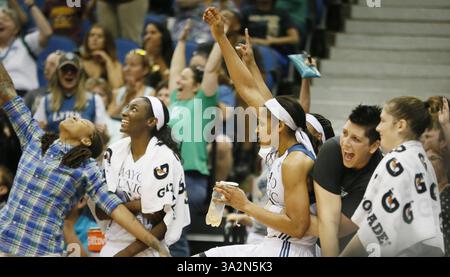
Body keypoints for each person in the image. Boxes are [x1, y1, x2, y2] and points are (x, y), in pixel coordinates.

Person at [0, 62, 167, 257]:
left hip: (40, 250)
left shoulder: (87, 169)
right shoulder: (35, 138)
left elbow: (116, 210)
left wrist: (154, 242)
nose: (74, 116)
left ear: (86, 140)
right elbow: (7, 92)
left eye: (82, 121)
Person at [198, 7, 319, 257]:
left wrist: (245, 205)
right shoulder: (281, 143)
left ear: (281, 125)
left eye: (262, 123)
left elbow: (298, 227)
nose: (255, 128)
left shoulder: (296, 159)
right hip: (272, 244)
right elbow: (246, 88)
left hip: (291, 250)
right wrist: (221, 37)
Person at [341, 96, 444, 257]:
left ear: (400, 125)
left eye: (382, 121)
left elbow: (375, 228)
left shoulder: (396, 161)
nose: (378, 128)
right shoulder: (421, 159)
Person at [97, 96, 190, 257]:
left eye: (133, 109)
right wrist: (140, 205)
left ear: (151, 121)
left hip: (149, 250)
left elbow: (166, 222)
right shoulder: (113, 152)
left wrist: (125, 254)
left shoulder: (166, 159)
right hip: (112, 245)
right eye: (127, 108)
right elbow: (101, 211)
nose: (124, 113)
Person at [166, 18, 222, 256]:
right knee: (166, 234)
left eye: (185, 79)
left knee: (175, 235)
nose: (179, 80)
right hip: (166, 176)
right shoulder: (175, 101)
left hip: (191, 179)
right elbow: (175, 71)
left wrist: (220, 37)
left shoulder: (202, 102)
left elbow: (211, 69)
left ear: (197, 85)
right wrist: (181, 41)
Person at [33, 52, 108, 134]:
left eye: (73, 70)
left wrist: (101, 131)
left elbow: (104, 135)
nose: (69, 73)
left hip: (83, 146)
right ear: (58, 73)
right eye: (65, 69)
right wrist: (39, 128)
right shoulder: (46, 100)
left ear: (80, 74)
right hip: (53, 145)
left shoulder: (94, 100)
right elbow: (34, 132)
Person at [0, 1, 52, 95]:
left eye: (5, 20)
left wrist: (31, 6)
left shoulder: (26, 43)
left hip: (24, 97)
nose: (0, 22)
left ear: (16, 29)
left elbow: (47, 33)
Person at [108, 49, 155, 119]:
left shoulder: (151, 93)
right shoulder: (116, 92)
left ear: (145, 70)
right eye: (125, 65)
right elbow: (109, 117)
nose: (126, 69)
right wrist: (125, 101)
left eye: (132, 65)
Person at [81, 24, 123, 89]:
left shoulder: (115, 64)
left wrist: (107, 60)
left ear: (106, 41)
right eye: (91, 35)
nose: (95, 39)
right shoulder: (80, 62)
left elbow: (117, 87)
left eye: (100, 36)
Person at [24, 50, 64, 115]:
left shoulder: (71, 96)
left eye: (52, 65)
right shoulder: (33, 95)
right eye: (46, 64)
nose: (46, 68)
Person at [142, 21, 173, 88]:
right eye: (146, 33)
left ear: (163, 36)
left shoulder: (173, 59)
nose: (148, 37)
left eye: (153, 33)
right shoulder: (140, 56)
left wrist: (156, 57)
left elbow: (169, 83)